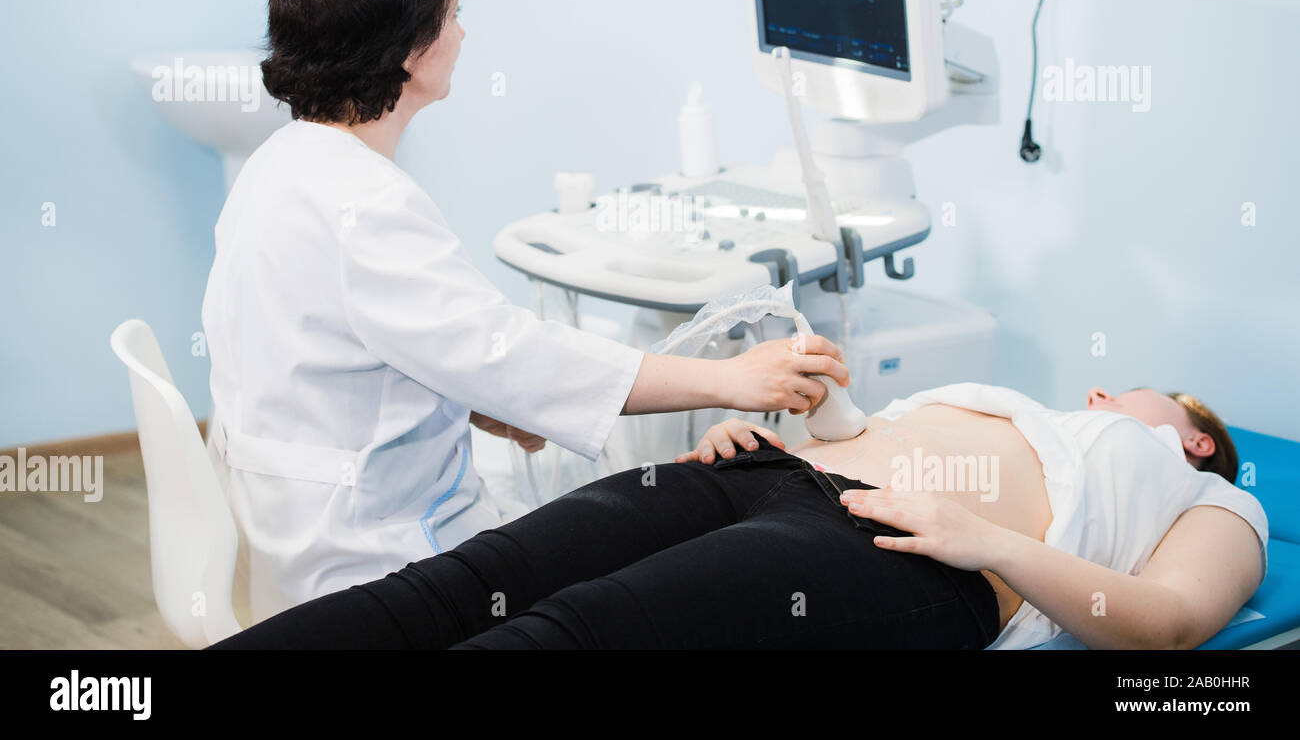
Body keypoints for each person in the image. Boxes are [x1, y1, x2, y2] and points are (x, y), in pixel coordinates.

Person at [202, 0, 849, 621]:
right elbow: (514, 353)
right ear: (410, 50)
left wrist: (479, 399)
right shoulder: (366, 204)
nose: (463, 32)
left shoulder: (278, 168)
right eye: (451, 12)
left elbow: (354, 349)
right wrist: (729, 378)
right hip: (379, 564)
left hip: (298, 543)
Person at [209, 383, 1267, 650]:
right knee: (440, 590)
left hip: (901, 549)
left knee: (564, 635)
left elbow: (1167, 625)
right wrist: (789, 426)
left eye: (1135, 394)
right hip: (768, 472)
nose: (1100, 397)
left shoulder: (1216, 500)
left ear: (1194, 434)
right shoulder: (1031, 401)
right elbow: (866, 431)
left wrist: (982, 538)